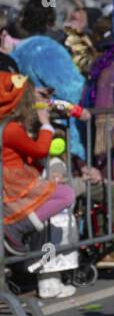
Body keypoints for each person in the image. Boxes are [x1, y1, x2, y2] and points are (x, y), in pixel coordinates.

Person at [1, 72, 78, 298]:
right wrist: (46, 125)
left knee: (61, 195)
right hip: (17, 180)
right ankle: (17, 228)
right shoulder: (11, 129)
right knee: (65, 195)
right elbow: (40, 150)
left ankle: (17, 228)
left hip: (13, 178)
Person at [1, 0, 86, 160]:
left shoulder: (18, 52)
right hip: (62, 130)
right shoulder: (44, 47)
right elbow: (72, 89)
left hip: (38, 129)